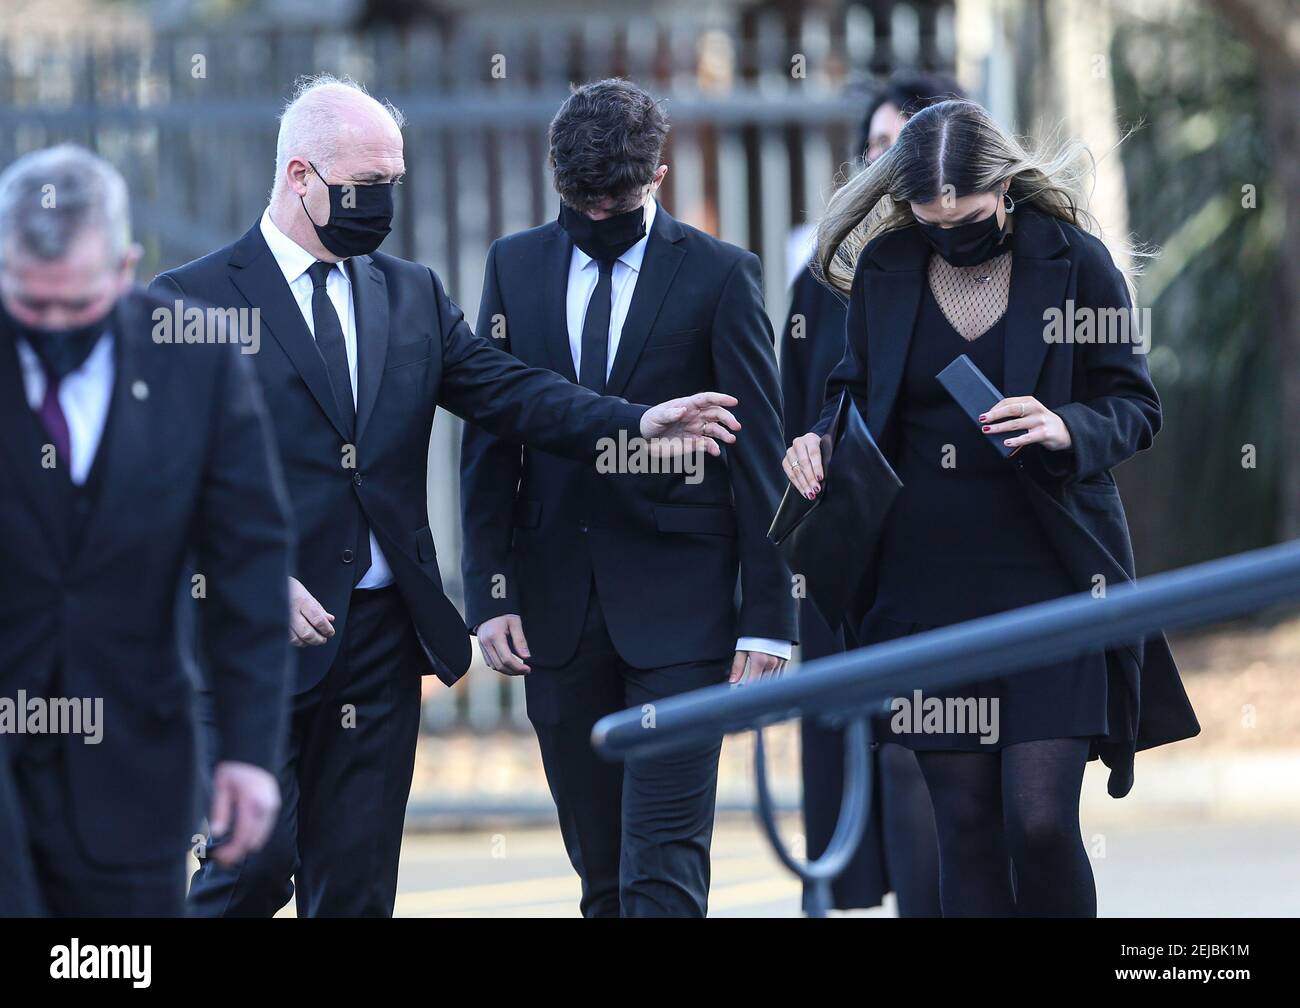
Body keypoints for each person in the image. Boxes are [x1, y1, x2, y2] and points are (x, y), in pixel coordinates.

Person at [154, 75, 741, 918]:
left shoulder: (410, 295)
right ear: (299, 177)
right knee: (252, 865)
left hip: (380, 643)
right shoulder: (192, 301)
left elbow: (511, 393)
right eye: (366, 185)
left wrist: (638, 420)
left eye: (393, 182)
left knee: (355, 887)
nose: (382, 202)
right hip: (247, 642)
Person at [783, 99, 1200, 917]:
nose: (950, 236)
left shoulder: (1074, 262)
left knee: (1039, 822)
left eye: (966, 219)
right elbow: (851, 393)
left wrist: (1063, 424)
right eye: (930, 221)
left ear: (1004, 187)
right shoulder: (889, 267)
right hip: (923, 588)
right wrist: (818, 443)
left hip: (1052, 579)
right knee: (964, 827)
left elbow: (1133, 405)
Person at [460, 78, 796, 918]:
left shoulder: (721, 275)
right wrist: (491, 591)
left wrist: (769, 617)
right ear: (555, 181)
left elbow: (760, 457)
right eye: (583, 201)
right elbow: (492, 438)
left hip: (683, 615)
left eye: (618, 199)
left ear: (661, 175)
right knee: (603, 878)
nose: (599, 215)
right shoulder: (513, 265)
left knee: (664, 867)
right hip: (556, 611)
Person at [0, 145, 293, 916]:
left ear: (125, 267)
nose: (53, 325)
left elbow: (248, 565)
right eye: (30, 305)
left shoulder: (194, 358)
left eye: (77, 305)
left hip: (134, 763)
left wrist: (247, 754)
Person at [782, 70, 961, 918]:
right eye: (876, 148)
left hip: (963, 558)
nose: (887, 167)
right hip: (858, 562)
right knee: (889, 756)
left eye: (908, 147)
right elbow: (792, 421)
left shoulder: (988, 266)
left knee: (967, 775)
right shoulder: (820, 283)